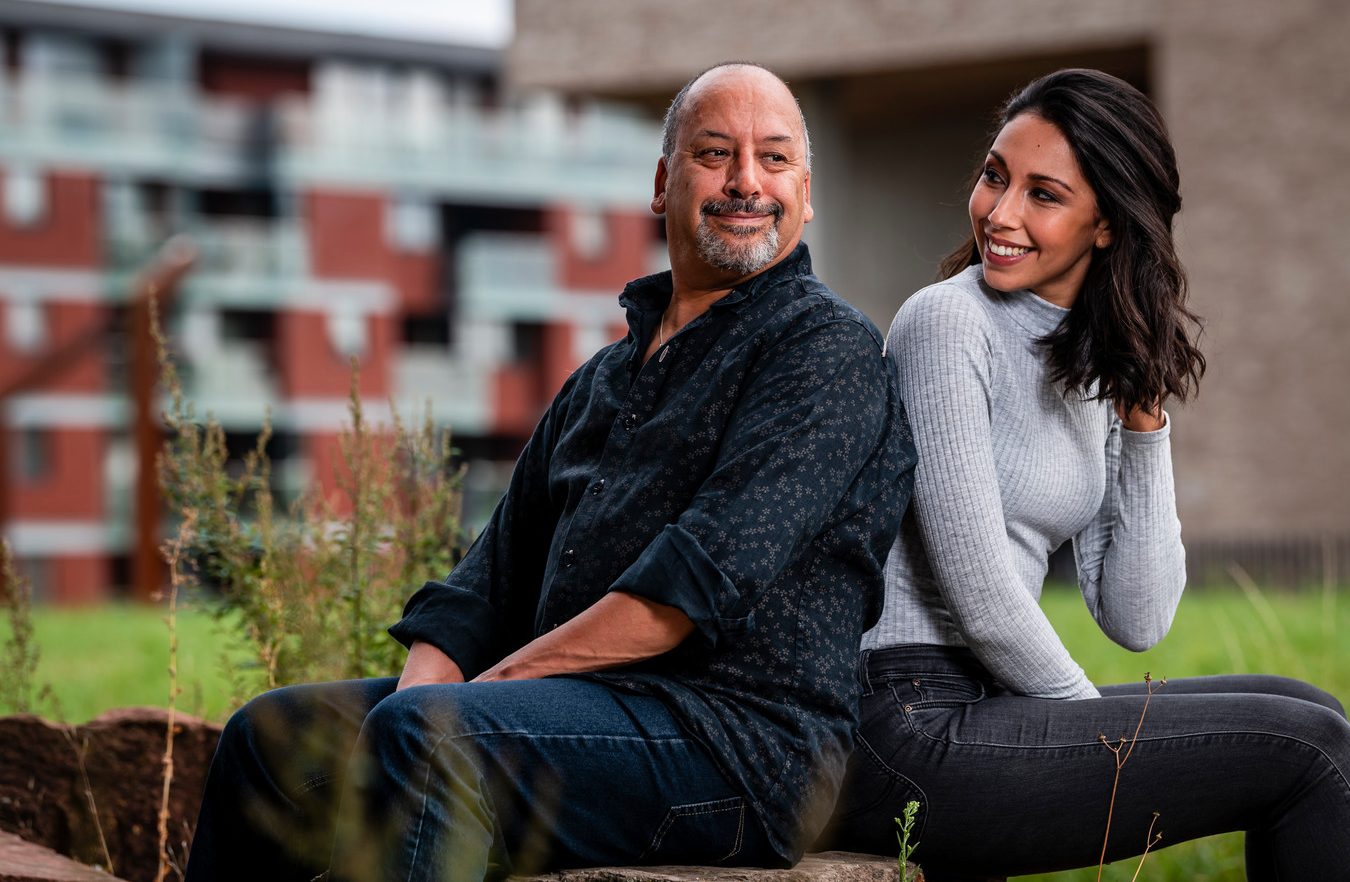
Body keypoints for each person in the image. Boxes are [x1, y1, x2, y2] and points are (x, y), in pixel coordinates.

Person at [184, 62, 916, 882]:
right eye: (716, 154)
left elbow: (689, 590)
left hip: (736, 745)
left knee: (433, 738)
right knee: (266, 741)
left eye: (775, 159)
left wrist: (464, 703)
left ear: (805, 192)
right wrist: (416, 697)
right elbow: (484, 586)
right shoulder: (605, 378)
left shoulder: (827, 354)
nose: (747, 180)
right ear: (662, 183)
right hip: (579, 715)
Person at [825, 69, 1350, 879]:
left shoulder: (1087, 364)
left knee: (1316, 711)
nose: (1000, 214)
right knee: (1305, 748)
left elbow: (1138, 617)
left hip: (986, 704)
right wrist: (1098, 733)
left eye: (1043, 194)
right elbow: (984, 599)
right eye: (995, 176)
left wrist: (1143, 422)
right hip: (901, 721)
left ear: (1106, 224)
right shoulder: (946, 324)